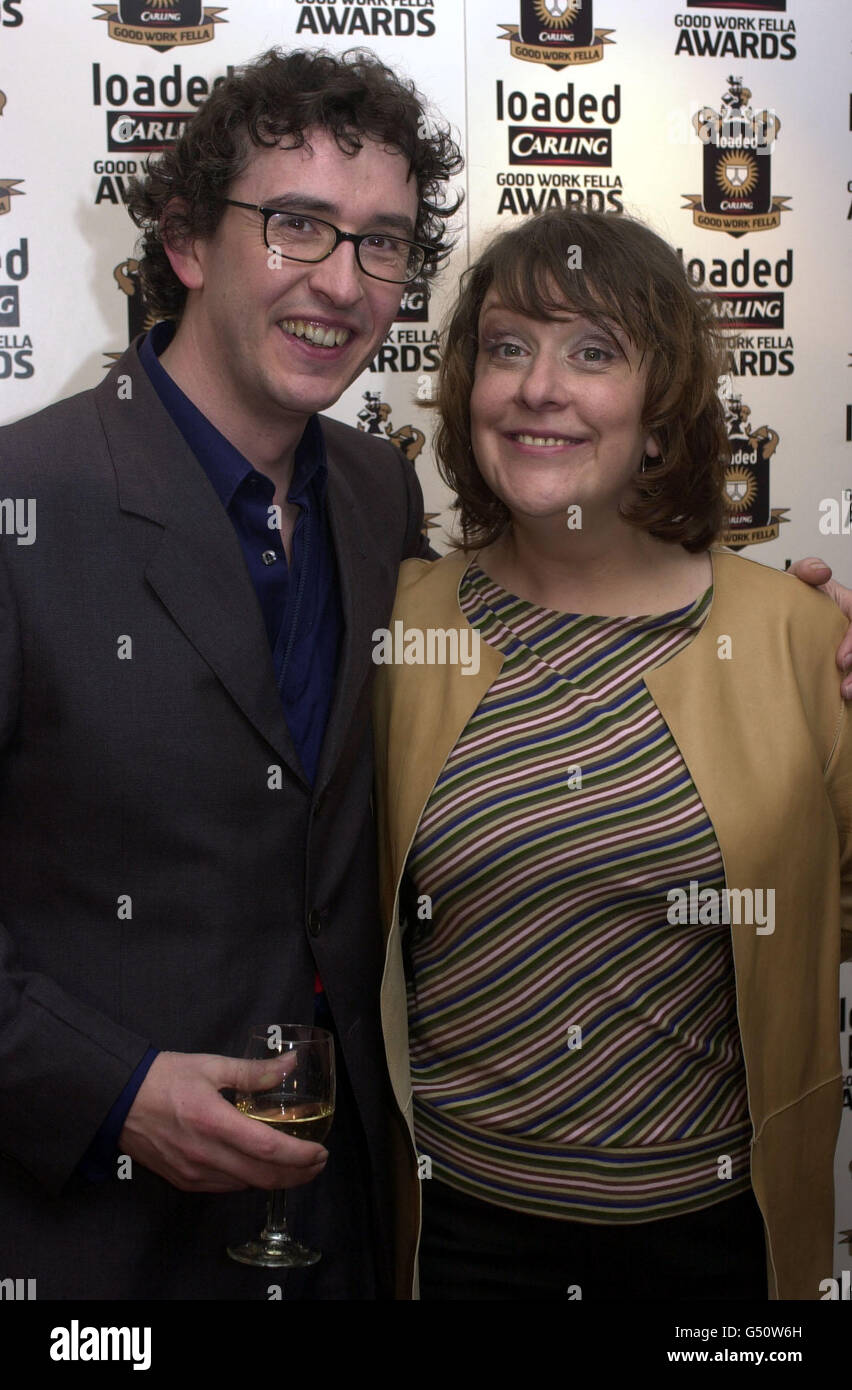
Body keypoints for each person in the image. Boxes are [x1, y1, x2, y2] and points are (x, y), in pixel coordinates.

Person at [0, 46, 462, 1300]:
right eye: (298, 224)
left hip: (341, 1219)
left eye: (381, 241)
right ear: (190, 240)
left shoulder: (379, 493)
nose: (342, 281)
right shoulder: (23, 503)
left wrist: (780, 640)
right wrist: (107, 1090)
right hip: (95, 1241)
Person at [372, 208, 852, 1301]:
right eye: (508, 346)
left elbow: (838, 904)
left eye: (594, 351)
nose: (541, 386)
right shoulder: (397, 624)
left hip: (716, 1243)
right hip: (450, 1240)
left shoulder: (796, 635)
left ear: (661, 413)